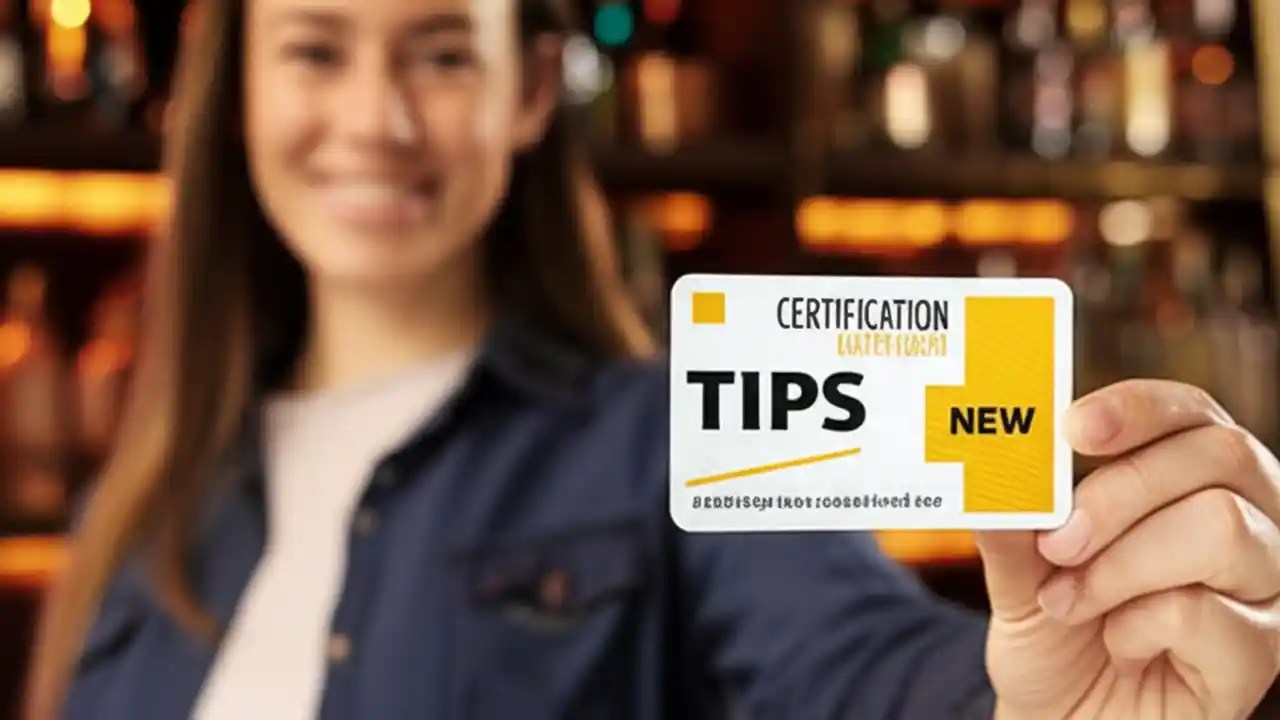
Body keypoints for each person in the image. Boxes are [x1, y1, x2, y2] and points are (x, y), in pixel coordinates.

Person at [24, 0, 1280, 717]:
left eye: (442, 52)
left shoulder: (675, 428)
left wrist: (1036, 703)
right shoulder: (140, 508)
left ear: (527, 95)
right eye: (315, 47)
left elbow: (855, 659)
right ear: (230, 88)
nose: (377, 118)